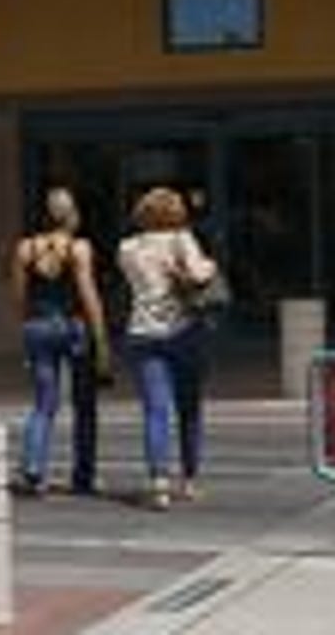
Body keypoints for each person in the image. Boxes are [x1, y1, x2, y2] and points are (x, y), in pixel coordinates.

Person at [118, 186, 220, 510]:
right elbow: (198, 274)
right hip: (182, 331)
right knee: (189, 408)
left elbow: (138, 281)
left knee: (155, 410)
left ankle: (158, 483)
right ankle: (189, 480)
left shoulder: (127, 247)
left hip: (142, 332)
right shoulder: (182, 239)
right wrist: (211, 266)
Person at [9, 187, 111, 496]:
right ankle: (83, 476)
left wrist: (25, 328)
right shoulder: (79, 248)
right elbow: (88, 295)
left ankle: (33, 470)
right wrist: (102, 338)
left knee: (43, 403)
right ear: (73, 215)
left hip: (38, 326)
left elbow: (18, 297)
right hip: (73, 327)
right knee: (84, 405)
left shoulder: (24, 249)